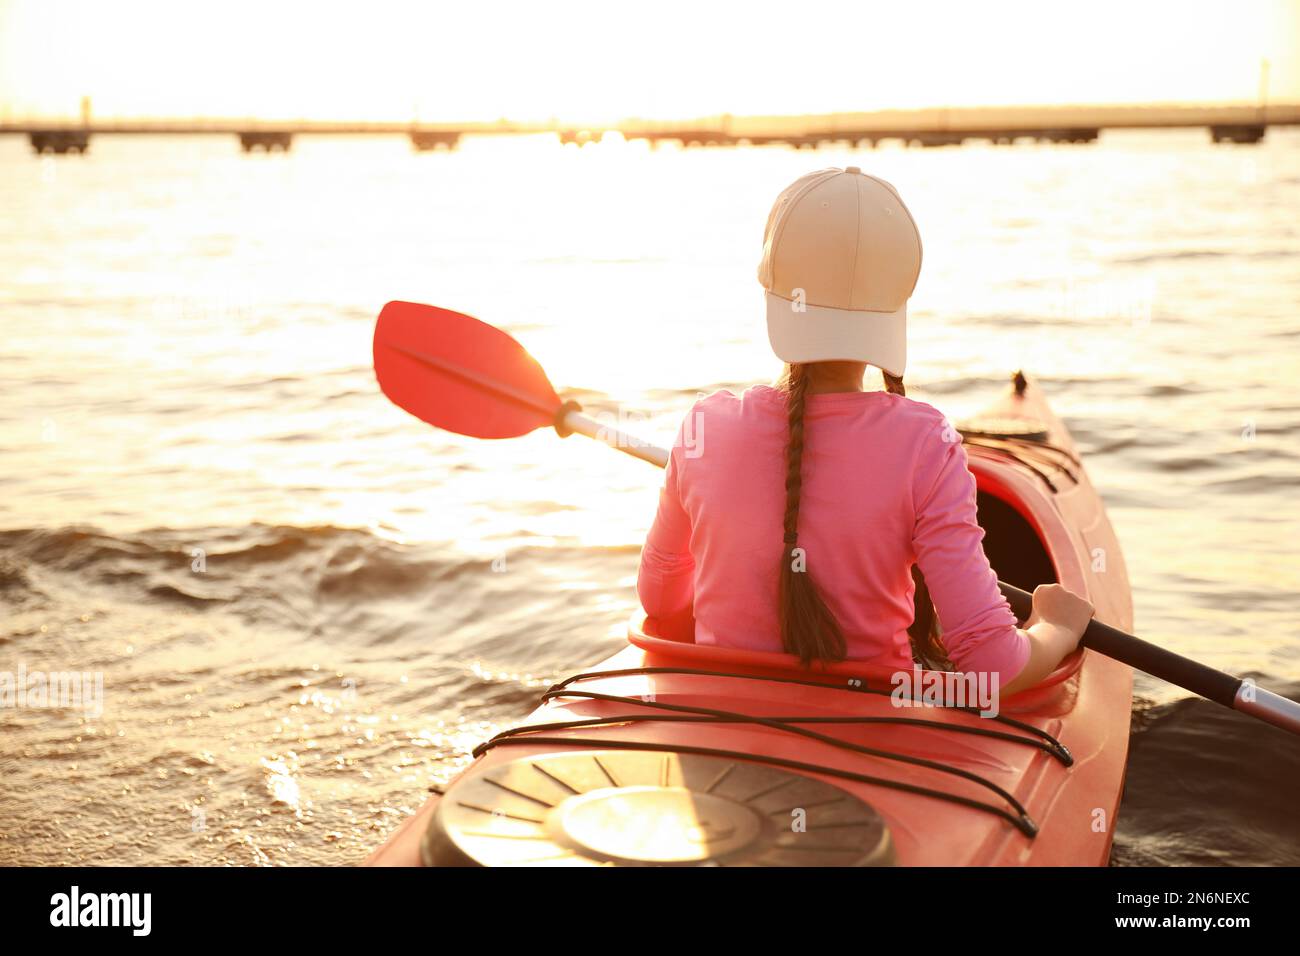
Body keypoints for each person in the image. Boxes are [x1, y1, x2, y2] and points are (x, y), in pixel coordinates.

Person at [636, 166, 1093, 696]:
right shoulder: (926, 443)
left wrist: (736, 561)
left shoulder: (704, 425)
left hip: (719, 717)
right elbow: (992, 668)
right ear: (895, 306)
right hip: (877, 723)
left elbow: (660, 600)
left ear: (772, 290)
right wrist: (1057, 624)